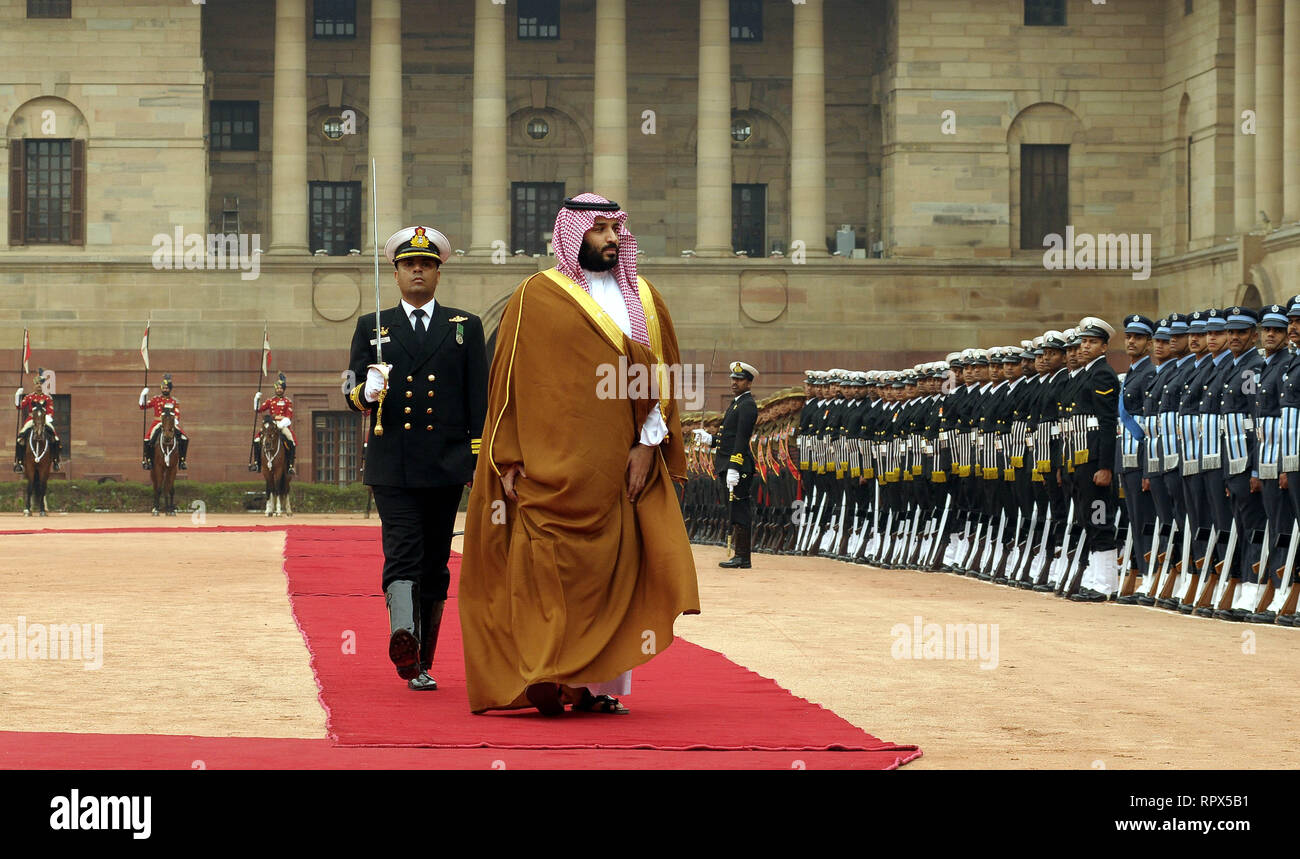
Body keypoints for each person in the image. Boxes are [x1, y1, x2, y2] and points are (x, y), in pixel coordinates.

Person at [459, 193, 701, 716]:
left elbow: (658, 379)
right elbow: (508, 387)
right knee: (544, 573)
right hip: (547, 471)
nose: (612, 239)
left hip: (616, 470)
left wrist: (645, 446)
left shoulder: (644, 299)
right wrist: (508, 457)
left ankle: (594, 689)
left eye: (617, 229)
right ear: (572, 234)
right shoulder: (535, 297)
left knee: (614, 577)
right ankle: (547, 673)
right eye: (600, 230)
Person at [345, 225, 488, 691]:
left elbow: (477, 398)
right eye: (410, 265)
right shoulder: (374, 327)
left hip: (446, 465)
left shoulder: (464, 327)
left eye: (426, 264)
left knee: (435, 563)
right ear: (397, 272)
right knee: (402, 551)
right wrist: (364, 392)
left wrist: (477, 458)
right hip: (394, 464)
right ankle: (403, 636)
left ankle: (421, 659)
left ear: (438, 272)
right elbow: (351, 391)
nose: (418, 271)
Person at [695, 361, 759, 568]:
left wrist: (734, 466)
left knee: (740, 508)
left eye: (739, 380)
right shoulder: (737, 403)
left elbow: (741, 438)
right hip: (728, 463)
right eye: (733, 379)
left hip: (737, 466)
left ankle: (742, 556)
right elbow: (728, 438)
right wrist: (710, 440)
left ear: (749, 383)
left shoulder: (747, 405)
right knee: (733, 508)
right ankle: (740, 555)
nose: (734, 383)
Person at [14, 368, 61, 472]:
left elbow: (50, 410)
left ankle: (55, 460)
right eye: (37, 384)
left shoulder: (47, 398)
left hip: (44, 419)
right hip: (32, 419)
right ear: (34, 385)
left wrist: (48, 417)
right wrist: (17, 396)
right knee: (20, 438)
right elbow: (19, 406)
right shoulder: (29, 397)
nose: (39, 386)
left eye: (40, 384)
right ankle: (20, 462)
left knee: (55, 438)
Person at [140, 373, 189, 470]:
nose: (164, 390)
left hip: (171, 423)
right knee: (148, 439)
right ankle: (148, 461)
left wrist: (174, 422)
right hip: (158, 423)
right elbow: (143, 406)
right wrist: (143, 395)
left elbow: (177, 413)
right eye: (163, 388)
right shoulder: (156, 399)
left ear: (170, 389)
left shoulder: (174, 401)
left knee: (184, 438)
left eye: (167, 388)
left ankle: (182, 461)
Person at [252, 372, 297, 474]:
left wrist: (281, 424)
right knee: (257, 440)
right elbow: (258, 409)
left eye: (280, 388)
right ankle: (257, 463)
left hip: (282, 425)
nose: (279, 390)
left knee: (291, 441)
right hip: (271, 425)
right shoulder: (270, 401)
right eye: (277, 388)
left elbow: (289, 416)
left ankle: (290, 466)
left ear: (283, 389)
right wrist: (256, 399)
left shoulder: (287, 401)